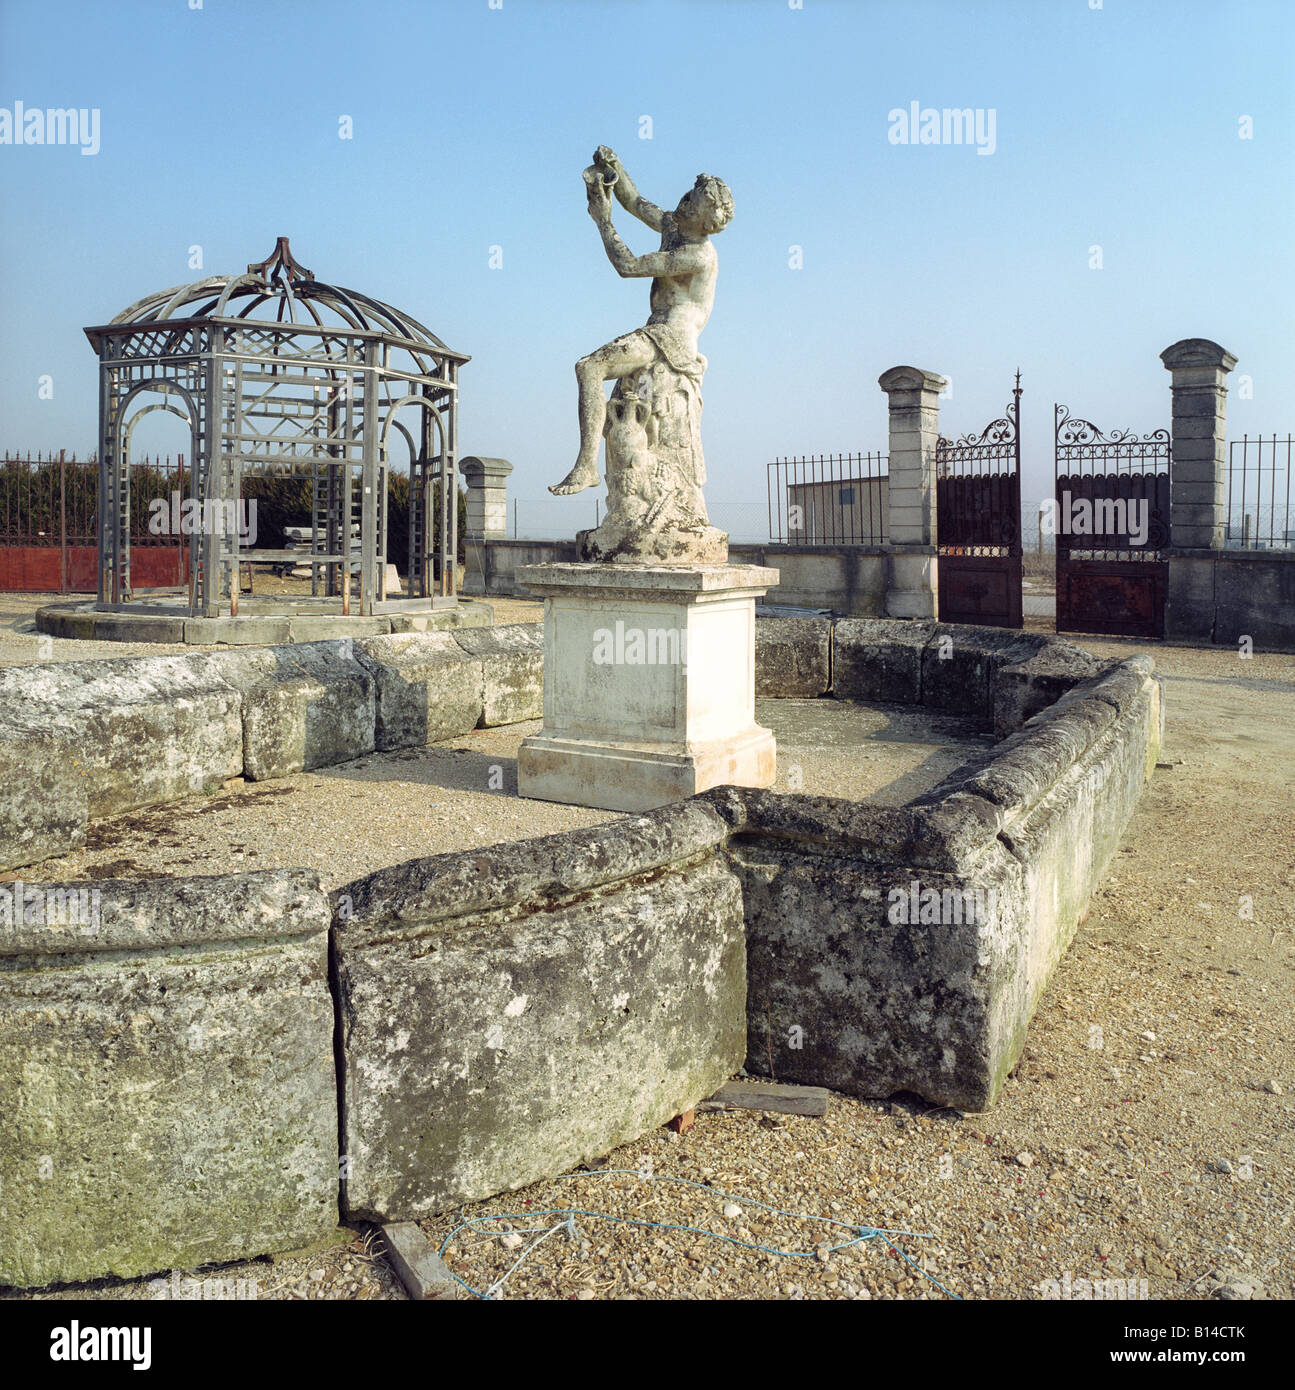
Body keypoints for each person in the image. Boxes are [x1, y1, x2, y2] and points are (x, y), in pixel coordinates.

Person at [549, 147, 734, 497]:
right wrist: (613, 166)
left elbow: (629, 266)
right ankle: (587, 464)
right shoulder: (675, 226)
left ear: (705, 218)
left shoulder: (696, 255)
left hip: (671, 339)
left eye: (693, 201)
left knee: (590, 367)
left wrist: (603, 221)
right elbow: (633, 200)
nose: (684, 201)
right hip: (657, 329)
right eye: (688, 195)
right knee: (588, 369)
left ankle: (586, 466)